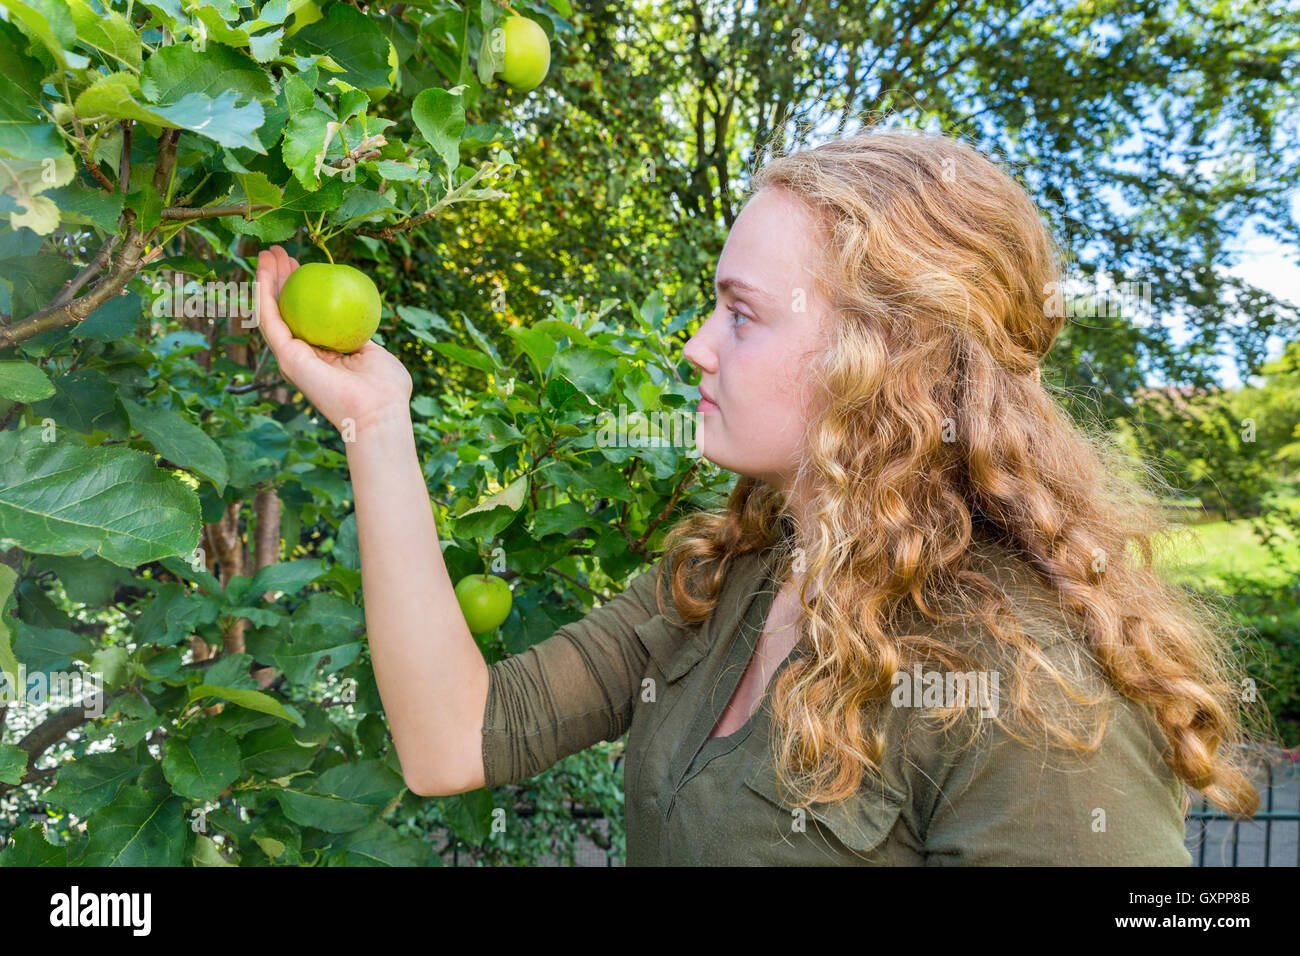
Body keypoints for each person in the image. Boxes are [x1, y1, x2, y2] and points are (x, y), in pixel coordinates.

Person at [254, 126, 1264, 865]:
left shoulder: (1032, 696)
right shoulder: (725, 579)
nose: (695, 344)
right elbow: (453, 736)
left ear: (887, 359)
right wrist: (374, 423)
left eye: (741, 314)